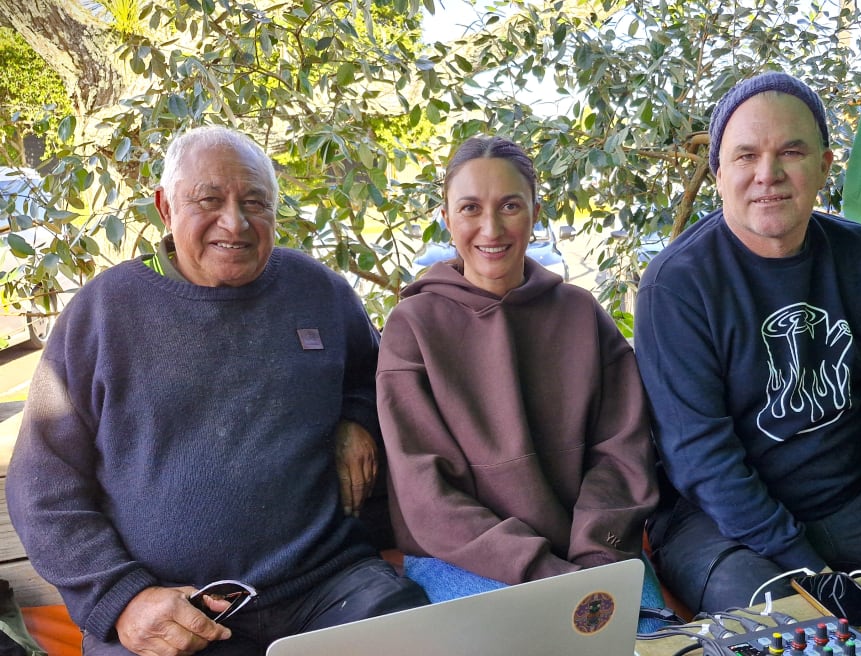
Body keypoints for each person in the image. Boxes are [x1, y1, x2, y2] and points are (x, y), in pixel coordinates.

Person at [6, 126, 428, 656]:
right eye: (209, 200)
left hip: (327, 585)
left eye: (256, 202)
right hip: (173, 607)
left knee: (421, 638)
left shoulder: (316, 290)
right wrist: (124, 598)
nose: (235, 222)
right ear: (165, 207)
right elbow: (40, 487)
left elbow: (376, 376)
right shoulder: (103, 313)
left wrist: (357, 418)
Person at [633, 71, 861, 614]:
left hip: (858, 500)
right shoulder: (677, 285)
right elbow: (701, 458)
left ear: (824, 166)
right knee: (792, 633)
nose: (768, 174)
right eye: (745, 156)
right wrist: (817, 576)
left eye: (792, 151)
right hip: (722, 529)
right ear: (717, 173)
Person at [376, 136, 664, 619]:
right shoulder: (413, 326)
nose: (491, 228)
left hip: (589, 554)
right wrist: (542, 574)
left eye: (510, 205)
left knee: (650, 641)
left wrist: (595, 558)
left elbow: (622, 454)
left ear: (534, 213)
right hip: (469, 558)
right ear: (447, 218)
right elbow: (428, 497)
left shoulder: (581, 313)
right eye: (470, 208)